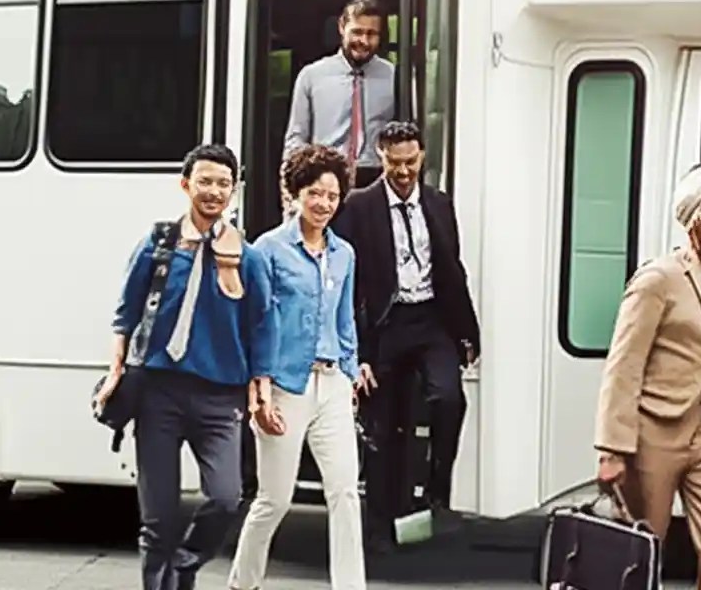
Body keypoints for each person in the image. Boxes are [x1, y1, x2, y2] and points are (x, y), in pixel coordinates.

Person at [96, 143, 276, 590]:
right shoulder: (157, 245)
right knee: (157, 518)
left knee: (225, 497)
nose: (214, 191)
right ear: (185, 185)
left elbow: (263, 327)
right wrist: (117, 370)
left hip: (220, 398)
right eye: (205, 181)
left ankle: (186, 562)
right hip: (159, 393)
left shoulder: (249, 258)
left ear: (234, 192)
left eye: (223, 184)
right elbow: (125, 314)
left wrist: (261, 387)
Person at [594, 163, 701, 590]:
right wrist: (612, 449)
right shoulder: (658, 279)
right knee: (642, 549)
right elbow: (624, 364)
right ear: (690, 219)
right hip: (653, 433)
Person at [332, 120, 480, 554]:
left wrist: (467, 334)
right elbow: (346, 283)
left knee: (449, 399)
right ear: (380, 157)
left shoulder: (439, 203)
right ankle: (380, 526)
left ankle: (437, 494)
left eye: (410, 162)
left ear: (422, 157)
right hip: (384, 325)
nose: (402, 171)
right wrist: (354, 351)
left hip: (431, 319)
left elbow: (454, 271)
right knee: (383, 429)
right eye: (394, 163)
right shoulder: (357, 206)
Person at [229, 144, 369, 590]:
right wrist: (261, 388)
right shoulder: (268, 250)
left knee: (345, 493)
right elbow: (257, 322)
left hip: (332, 384)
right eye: (315, 193)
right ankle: (242, 584)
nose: (324, 203)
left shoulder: (344, 254)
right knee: (274, 498)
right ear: (293, 194)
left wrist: (350, 369)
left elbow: (344, 317)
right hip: (284, 386)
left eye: (332, 195)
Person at [281, 0, 396, 196]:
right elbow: (297, 138)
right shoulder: (312, 76)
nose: (364, 41)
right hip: (324, 179)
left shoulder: (395, 77)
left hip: (376, 180)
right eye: (357, 32)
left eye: (372, 34)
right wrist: (291, 195)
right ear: (342, 27)